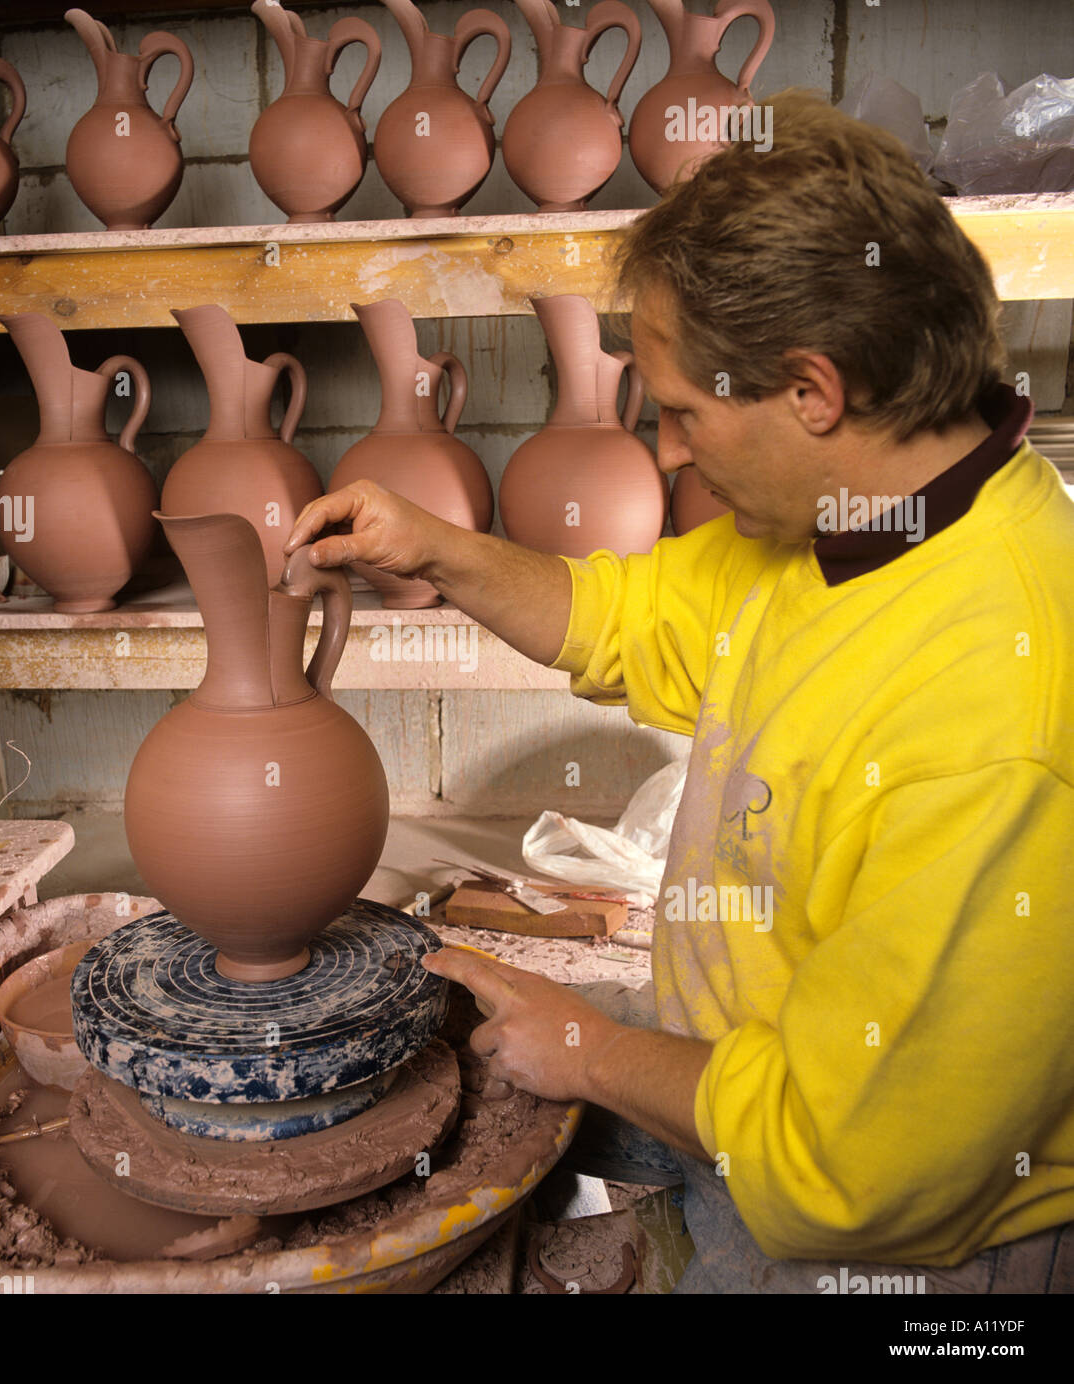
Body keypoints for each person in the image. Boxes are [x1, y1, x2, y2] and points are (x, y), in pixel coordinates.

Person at [283, 90, 1074, 1293]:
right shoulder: (851, 525)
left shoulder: (993, 710)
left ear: (814, 391)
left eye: (686, 413)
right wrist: (435, 546)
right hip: (754, 1093)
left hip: (914, 1248)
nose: (661, 449)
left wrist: (590, 1048)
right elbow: (630, 619)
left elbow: (849, 1163)